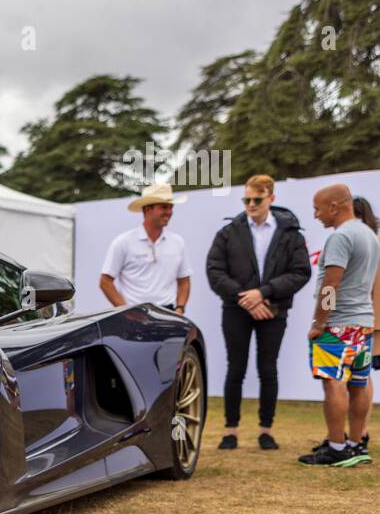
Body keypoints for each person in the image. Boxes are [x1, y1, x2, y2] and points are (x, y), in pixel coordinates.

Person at [205, 174, 311, 450]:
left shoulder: (290, 233)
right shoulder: (228, 232)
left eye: (257, 199)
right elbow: (215, 272)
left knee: (268, 369)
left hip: (274, 310)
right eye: (246, 200)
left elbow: (301, 272)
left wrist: (263, 293)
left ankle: (266, 430)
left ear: (271, 198)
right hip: (236, 309)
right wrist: (247, 299)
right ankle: (231, 430)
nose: (251, 205)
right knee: (235, 368)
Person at [298, 183, 380, 467]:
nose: (316, 214)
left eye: (318, 208)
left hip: (337, 325)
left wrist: (319, 323)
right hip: (362, 323)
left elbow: (331, 285)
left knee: (334, 383)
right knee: (359, 383)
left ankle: (335, 447)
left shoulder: (341, 237)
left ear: (334, 206)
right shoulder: (368, 234)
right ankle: (356, 446)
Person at [99, 183, 191, 313]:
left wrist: (180, 308)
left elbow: (184, 281)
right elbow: (105, 282)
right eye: (164, 207)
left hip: (168, 314)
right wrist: (127, 311)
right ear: (148, 210)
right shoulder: (123, 242)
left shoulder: (178, 242)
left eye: (171, 207)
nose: (169, 212)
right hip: (135, 314)